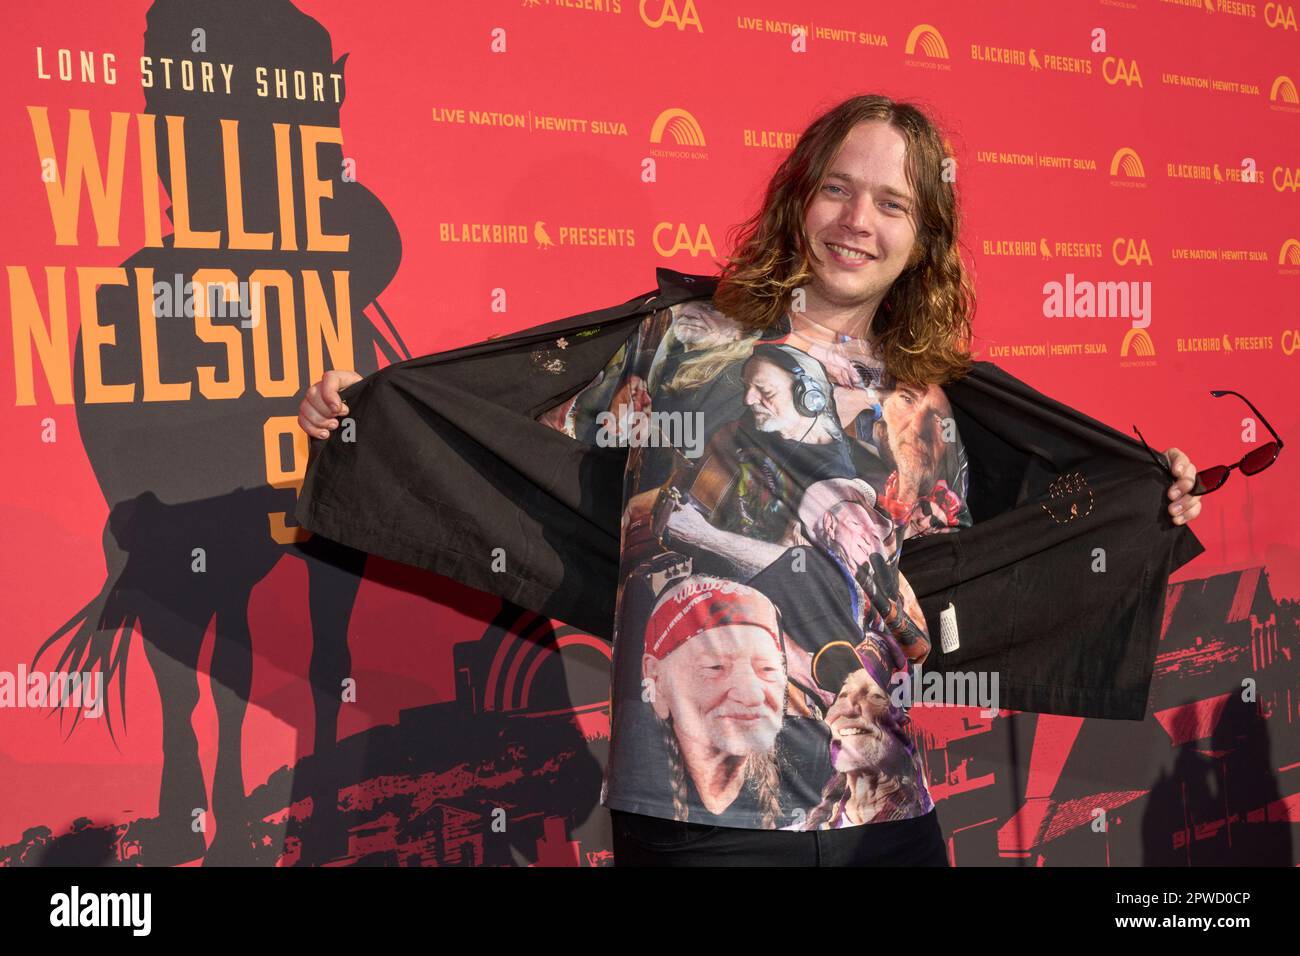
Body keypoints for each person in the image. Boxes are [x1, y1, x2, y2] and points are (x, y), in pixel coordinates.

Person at [296, 94, 1204, 866]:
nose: (858, 221)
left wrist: (1147, 498)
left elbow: (991, 563)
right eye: (839, 189)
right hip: (696, 820)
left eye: (893, 203)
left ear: (923, 237)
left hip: (881, 813)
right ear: (798, 199)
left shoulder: (926, 396)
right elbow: (500, 418)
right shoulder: (681, 338)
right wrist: (363, 410)